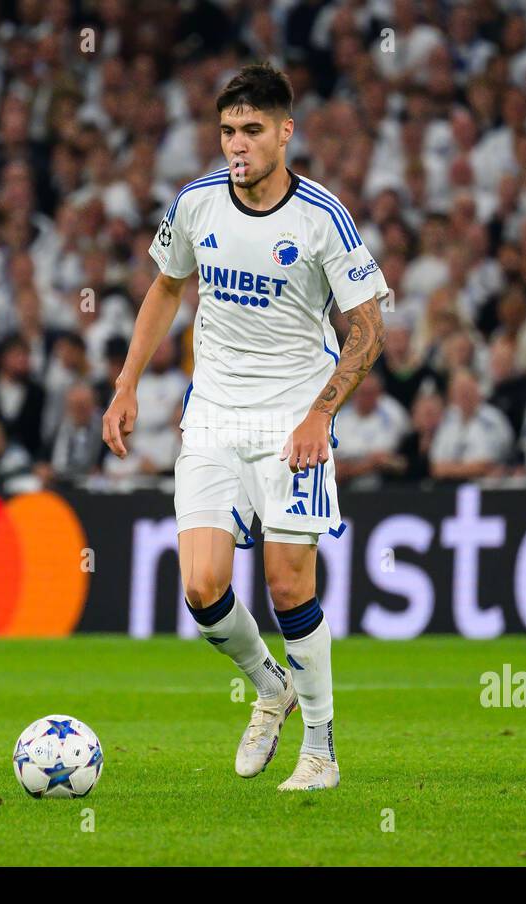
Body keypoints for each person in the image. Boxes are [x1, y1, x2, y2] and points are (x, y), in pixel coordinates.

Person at [102, 63, 388, 791]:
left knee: (289, 588)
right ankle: (271, 687)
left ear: (285, 133)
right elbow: (166, 287)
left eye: (252, 130)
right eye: (228, 130)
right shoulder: (197, 204)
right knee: (201, 586)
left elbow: (367, 329)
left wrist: (321, 415)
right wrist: (128, 381)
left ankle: (320, 749)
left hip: (294, 420)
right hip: (213, 418)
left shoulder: (322, 217)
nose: (237, 144)